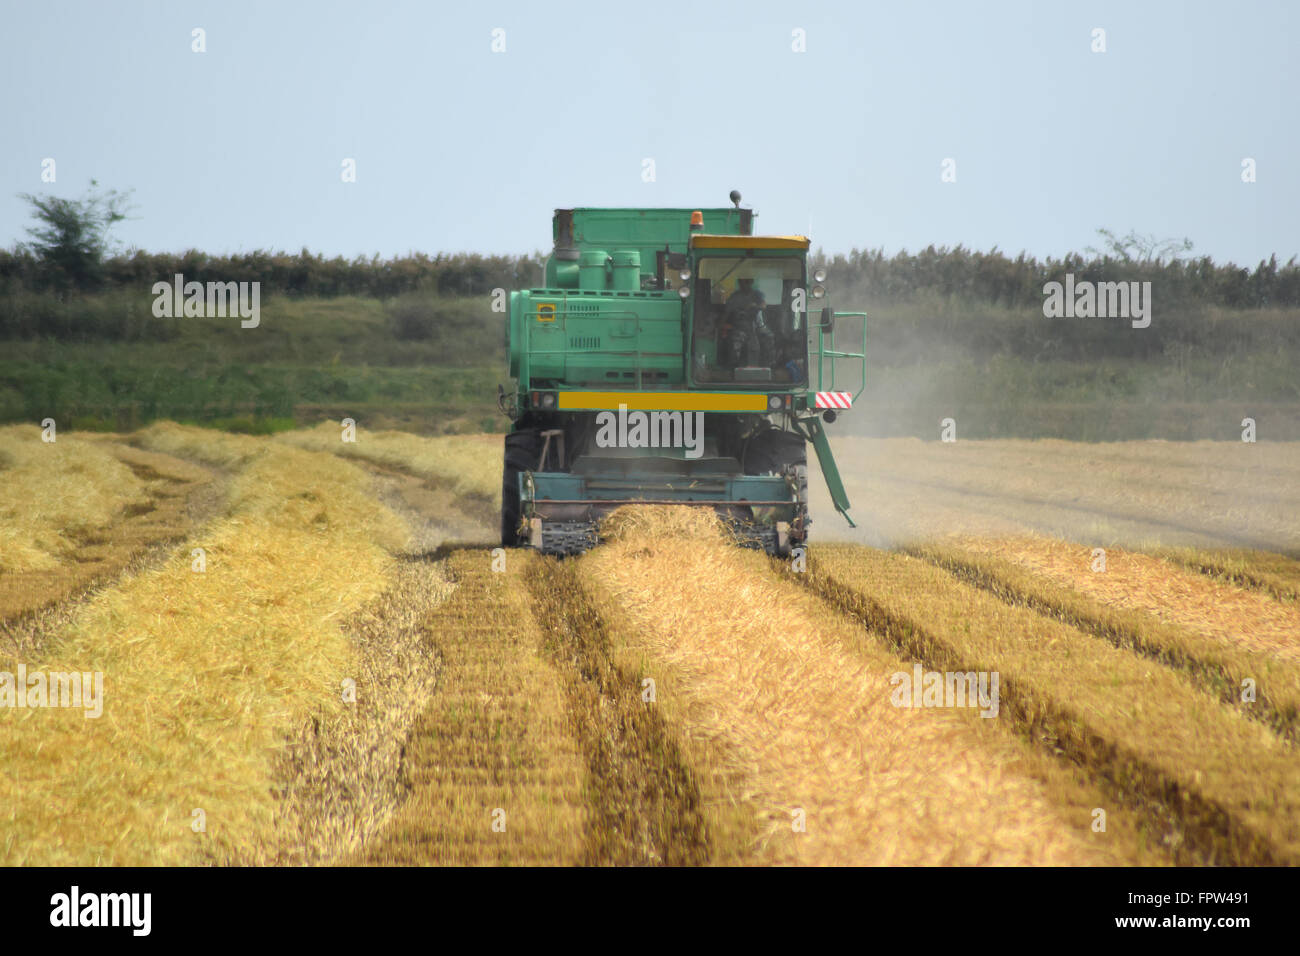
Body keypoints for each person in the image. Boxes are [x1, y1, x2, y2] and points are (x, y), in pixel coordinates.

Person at [722, 277, 774, 367]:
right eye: (742, 282)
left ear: (751, 282)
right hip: (740, 327)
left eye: (747, 281)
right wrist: (721, 324)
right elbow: (726, 313)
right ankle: (734, 367)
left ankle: (769, 364)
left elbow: (763, 305)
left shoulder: (757, 295)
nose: (744, 284)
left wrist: (754, 305)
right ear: (739, 282)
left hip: (758, 327)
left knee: (769, 337)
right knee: (735, 341)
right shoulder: (734, 297)